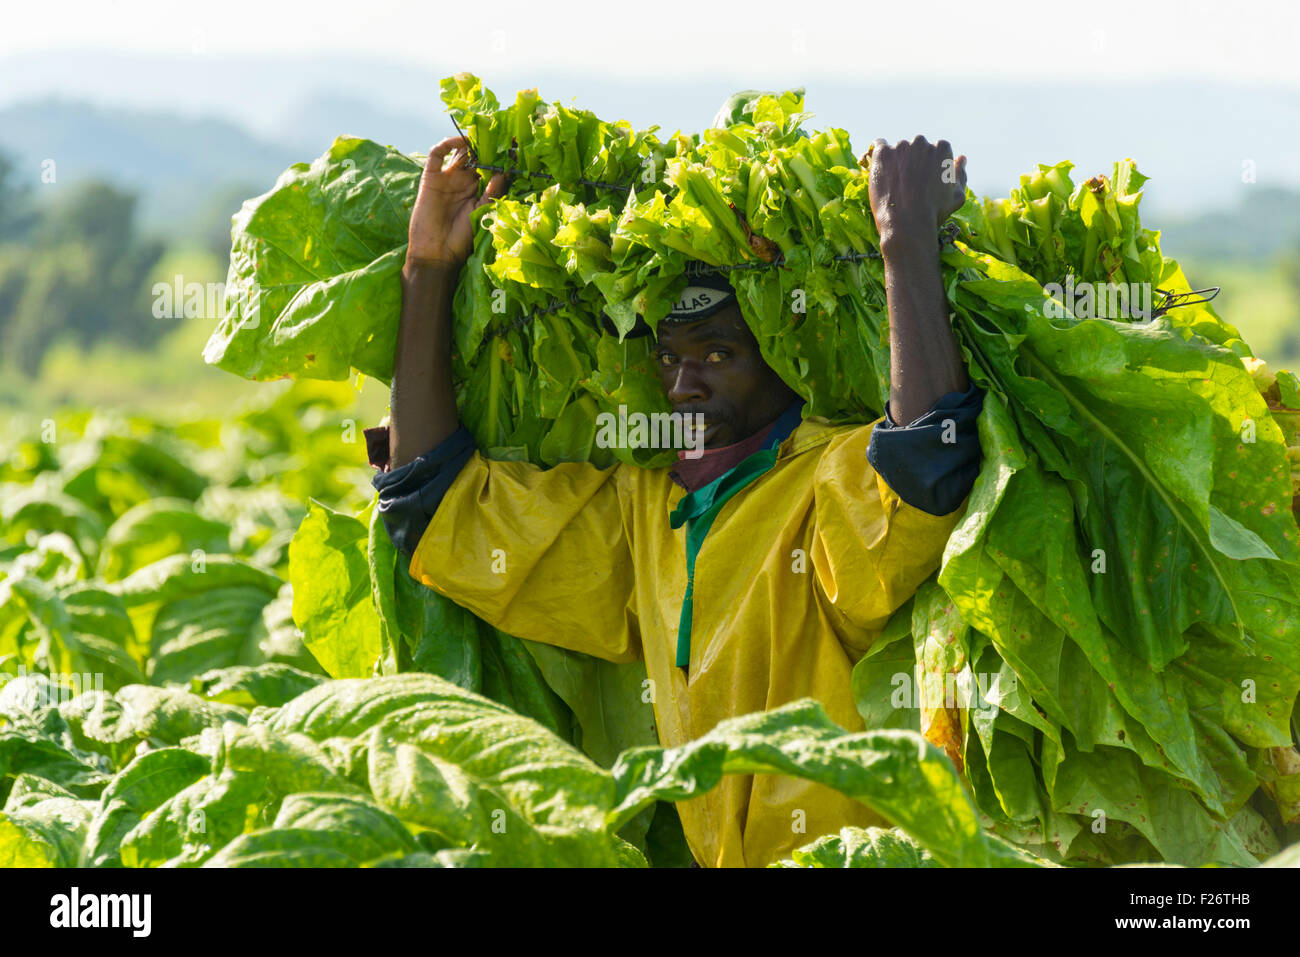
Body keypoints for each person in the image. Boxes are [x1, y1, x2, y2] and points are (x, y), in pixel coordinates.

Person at [365, 117, 984, 868]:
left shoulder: (820, 479)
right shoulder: (645, 514)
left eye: (718, 353)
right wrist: (428, 266)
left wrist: (902, 241)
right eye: (668, 357)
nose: (683, 383)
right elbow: (435, 507)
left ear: (784, 354)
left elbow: (926, 467)